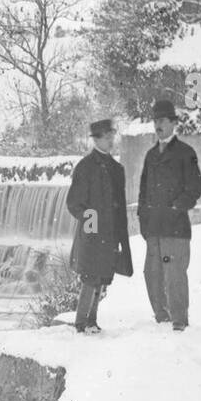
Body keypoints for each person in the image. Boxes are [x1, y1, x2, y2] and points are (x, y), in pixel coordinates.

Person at [137, 99, 201, 331]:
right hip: (154, 228)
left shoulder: (186, 153)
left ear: (173, 123)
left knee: (174, 274)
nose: (158, 125)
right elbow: (143, 191)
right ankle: (161, 317)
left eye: (163, 121)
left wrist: (177, 207)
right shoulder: (150, 155)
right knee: (152, 274)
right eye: (155, 121)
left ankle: (179, 321)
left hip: (175, 228)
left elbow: (195, 188)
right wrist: (143, 220)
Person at [65, 118, 132, 334]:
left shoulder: (116, 168)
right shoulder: (85, 167)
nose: (111, 140)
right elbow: (75, 203)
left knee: (102, 276)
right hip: (92, 233)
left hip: (111, 233)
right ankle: (81, 323)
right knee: (90, 277)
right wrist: (92, 224)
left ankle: (92, 322)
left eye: (112, 135)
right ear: (97, 139)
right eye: (107, 137)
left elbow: (119, 205)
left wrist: (119, 232)